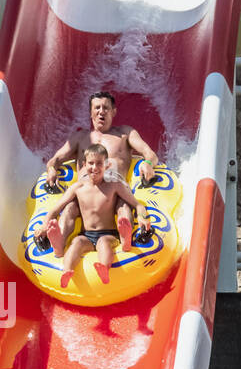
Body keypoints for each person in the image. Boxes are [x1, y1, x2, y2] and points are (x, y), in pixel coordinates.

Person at [42, 91, 159, 252]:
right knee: (69, 208)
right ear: (90, 112)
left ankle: (127, 239)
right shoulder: (80, 137)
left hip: (114, 185)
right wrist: (51, 170)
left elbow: (150, 154)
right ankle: (58, 243)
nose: (101, 111)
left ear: (114, 111)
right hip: (85, 187)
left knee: (124, 207)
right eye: (97, 108)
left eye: (106, 108)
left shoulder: (125, 134)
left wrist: (147, 163)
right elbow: (55, 159)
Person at [42, 145, 151, 288]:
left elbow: (138, 205)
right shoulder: (78, 187)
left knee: (103, 243)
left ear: (107, 165)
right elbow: (55, 210)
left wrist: (143, 216)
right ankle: (66, 267)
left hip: (109, 234)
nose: (94, 167)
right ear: (83, 164)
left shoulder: (114, 185)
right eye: (91, 163)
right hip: (86, 234)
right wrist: (44, 226)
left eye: (99, 163)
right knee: (77, 243)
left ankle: (105, 267)